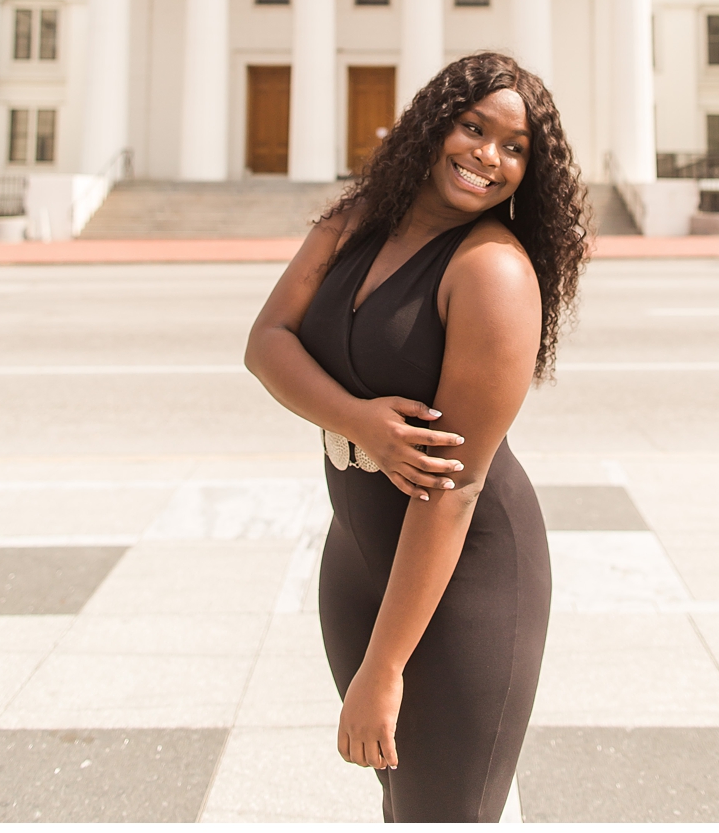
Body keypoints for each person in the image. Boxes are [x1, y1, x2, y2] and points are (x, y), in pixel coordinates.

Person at [245, 52, 587, 821]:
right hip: (359, 561)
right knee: (408, 803)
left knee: (445, 814)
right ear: (434, 125)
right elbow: (266, 340)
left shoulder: (492, 272)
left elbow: (455, 484)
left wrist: (386, 666)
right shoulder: (356, 220)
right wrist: (358, 417)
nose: (487, 156)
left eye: (514, 147)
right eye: (473, 127)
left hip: (468, 579)